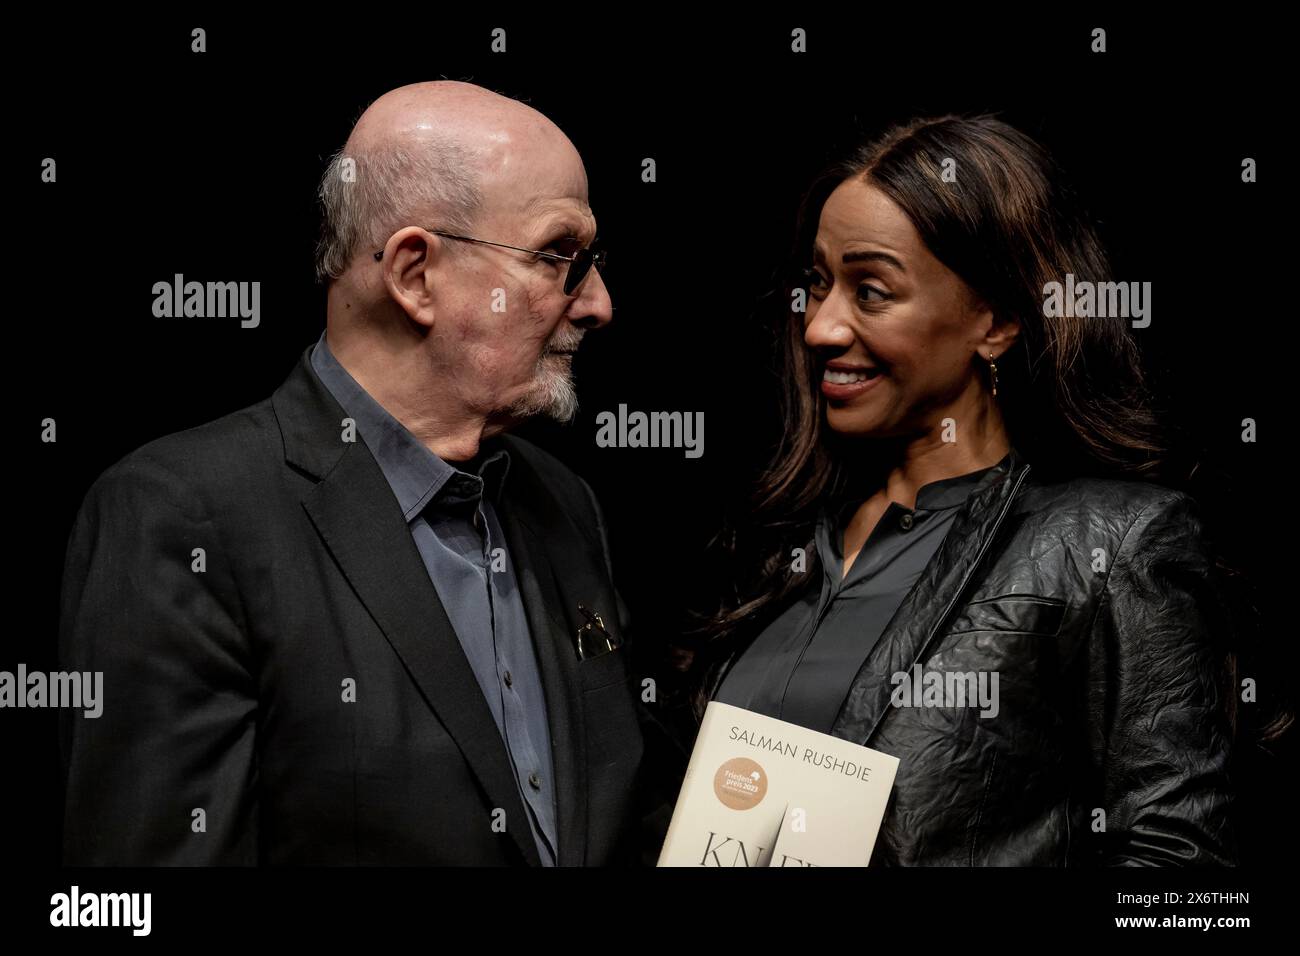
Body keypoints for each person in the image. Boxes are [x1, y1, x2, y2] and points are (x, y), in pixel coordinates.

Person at [58, 80, 648, 865]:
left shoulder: (563, 503)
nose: (598, 303)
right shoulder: (185, 516)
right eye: (557, 257)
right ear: (414, 274)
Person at [694, 115, 1237, 865]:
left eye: (871, 290)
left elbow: (1186, 885)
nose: (819, 326)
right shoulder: (777, 540)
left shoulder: (1109, 547)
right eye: (818, 284)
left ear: (998, 321)